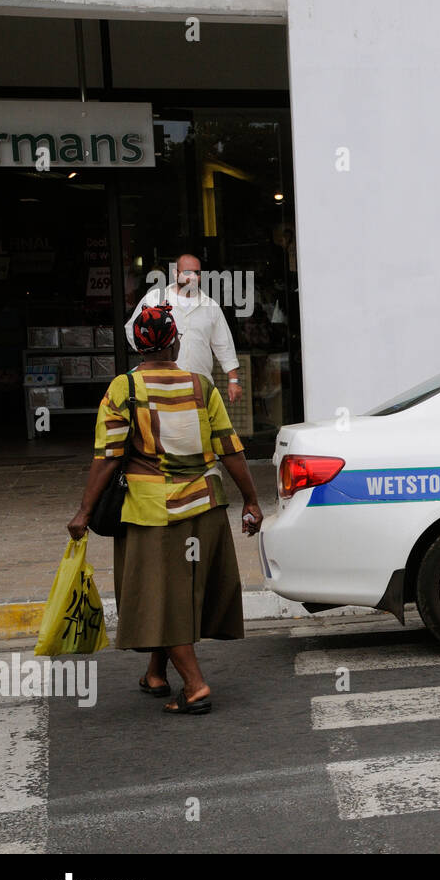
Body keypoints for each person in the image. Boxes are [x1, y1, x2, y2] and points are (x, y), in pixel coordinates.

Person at [67, 306, 263, 716]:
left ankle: (194, 686)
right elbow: (231, 449)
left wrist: (84, 512)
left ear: (138, 345)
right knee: (178, 593)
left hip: (155, 514)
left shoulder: (125, 389)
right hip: (205, 511)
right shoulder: (201, 386)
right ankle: (156, 673)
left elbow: (107, 457)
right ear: (175, 343)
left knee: (158, 596)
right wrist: (251, 500)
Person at [126, 254, 244, 403]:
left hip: (200, 385)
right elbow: (132, 329)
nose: (193, 277)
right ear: (176, 273)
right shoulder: (155, 299)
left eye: (197, 272)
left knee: (200, 425)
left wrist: (233, 381)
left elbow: (224, 344)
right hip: (161, 384)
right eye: (187, 272)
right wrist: (150, 353)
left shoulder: (210, 306)